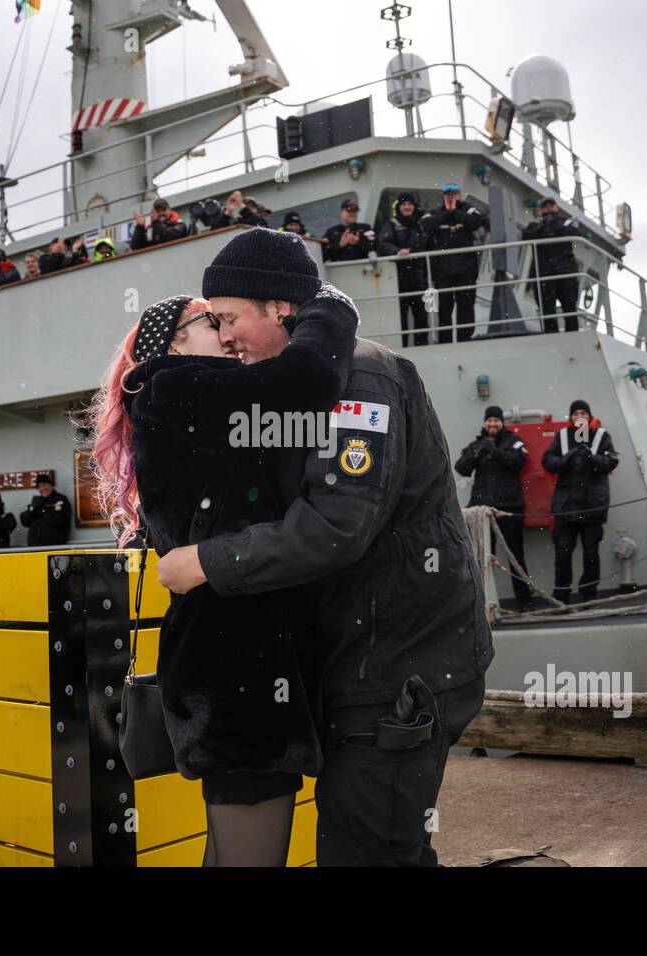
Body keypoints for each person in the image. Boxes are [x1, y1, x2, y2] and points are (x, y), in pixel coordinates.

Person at [156, 229, 491, 866]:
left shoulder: (360, 378)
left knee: (368, 853)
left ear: (279, 308)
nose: (223, 337)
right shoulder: (301, 384)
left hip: (401, 667)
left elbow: (337, 525)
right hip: (366, 660)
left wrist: (207, 562)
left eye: (229, 319)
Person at [90, 266, 358, 866]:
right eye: (210, 320)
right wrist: (329, 307)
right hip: (238, 672)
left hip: (235, 663)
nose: (226, 332)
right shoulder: (173, 385)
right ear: (175, 344)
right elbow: (307, 379)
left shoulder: (193, 400)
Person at [454, 405, 533, 610]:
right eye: (489, 420)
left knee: (515, 556)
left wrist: (495, 452)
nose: (492, 424)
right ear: (484, 423)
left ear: (502, 422)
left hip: (509, 508)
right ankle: (479, 604)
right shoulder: (476, 445)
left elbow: (518, 462)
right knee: (479, 557)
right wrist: (475, 454)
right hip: (482, 510)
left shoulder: (514, 442)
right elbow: (461, 468)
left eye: (496, 420)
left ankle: (525, 602)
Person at [542, 400, 619, 604]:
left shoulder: (602, 436)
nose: (579, 416)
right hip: (566, 508)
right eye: (575, 413)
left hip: (592, 507)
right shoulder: (562, 436)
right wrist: (567, 458)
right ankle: (561, 598)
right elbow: (547, 461)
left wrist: (592, 458)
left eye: (583, 412)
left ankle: (589, 597)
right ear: (570, 418)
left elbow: (612, 461)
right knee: (562, 555)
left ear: (590, 416)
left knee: (591, 555)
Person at [420, 183, 485, 343]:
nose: (450, 197)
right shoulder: (436, 211)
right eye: (448, 195)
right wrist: (446, 213)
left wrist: (454, 211)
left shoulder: (468, 208)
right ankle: (445, 340)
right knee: (443, 306)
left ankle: (465, 338)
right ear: (444, 197)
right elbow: (425, 225)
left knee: (466, 304)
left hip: (466, 269)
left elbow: (476, 221)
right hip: (443, 270)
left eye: (453, 194)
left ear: (459, 195)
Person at [521, 197, 583, 333]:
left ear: (557, 208)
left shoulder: (566, 222)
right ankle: (552, 336)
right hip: (544, 274)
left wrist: (556, 225)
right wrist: (543, 226)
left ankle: (572, 336)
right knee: (547, 310)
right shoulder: (534, 225)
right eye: (545, 206)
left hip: (565, 272)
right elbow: (526, 236)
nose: (548, 208)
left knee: (569, 307)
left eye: (551, 205)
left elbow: (575, 234)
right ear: (540, 210)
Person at [377, 192, 430, 347]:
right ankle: (403, 350)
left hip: (419, 279)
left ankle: (423, 347)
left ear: (414, 206)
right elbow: (384, 244)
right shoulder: (391, 224)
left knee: (421, 317)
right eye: (404, 204)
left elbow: (428, 244)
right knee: (401, 319)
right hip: (399, 280)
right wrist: (397, 251)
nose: (407, 207)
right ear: (399, 207)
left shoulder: (420, 224)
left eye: (410, 204)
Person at [20, 473, 72, 546]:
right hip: (34, 547)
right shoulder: (37, 501)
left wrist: (41, 510)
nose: (42, 488)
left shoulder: (60, 499)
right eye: (39, 486)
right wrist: (32, 509)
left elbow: (59, 521)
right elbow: (24, 521)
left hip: (54, 547)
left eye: (44, 484)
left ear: (51, 485)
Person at [320, 198, 376, 263]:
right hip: (338, 270)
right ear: (341, 212)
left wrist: (358, 242)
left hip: (362, 268)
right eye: (349, 210)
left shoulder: (366, 228)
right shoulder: (331, 232)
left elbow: (375, 247)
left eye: (355, 211)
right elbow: (322, 254)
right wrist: (340, 245)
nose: (353, 213)